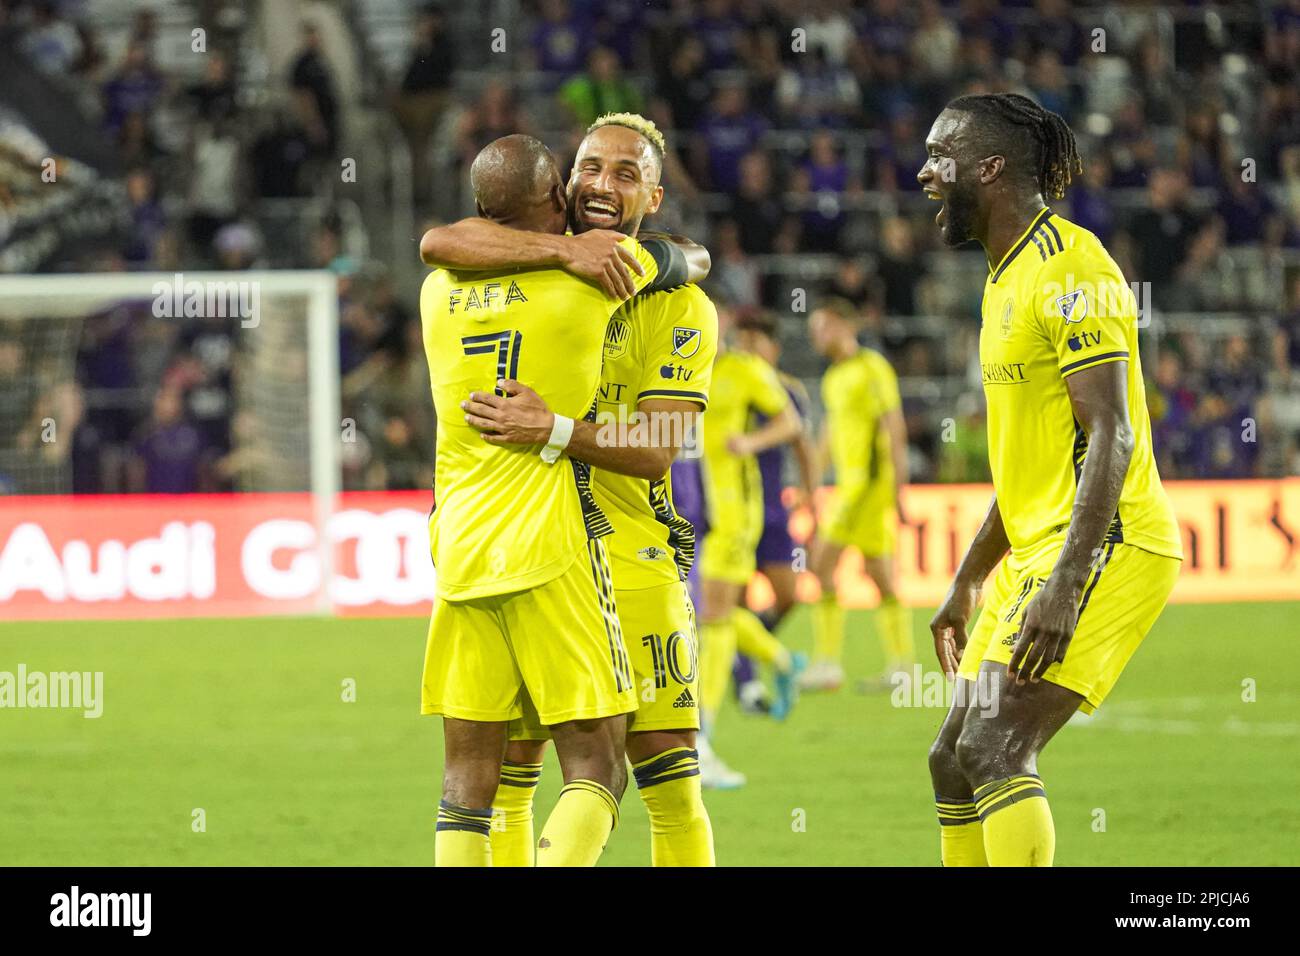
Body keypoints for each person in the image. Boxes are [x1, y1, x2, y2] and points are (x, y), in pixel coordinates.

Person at [428, 113, 720, 865]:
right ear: (563, 183)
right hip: (543, 558)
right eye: (590, 166)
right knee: (514, 782)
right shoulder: (530, 265)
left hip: (631, 557)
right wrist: (567, 250)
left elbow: (658, 447)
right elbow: (443, 239)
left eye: (627, 174)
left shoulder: (679, 304)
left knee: (669, 782)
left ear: (653, 197)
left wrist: (554, 428)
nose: (603, 184)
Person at [916, 93, 1182, 866]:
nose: (925, 174)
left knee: (995, 744)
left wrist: (1067, 580)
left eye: (939, 157)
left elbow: (1112, 431)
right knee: (952, 759)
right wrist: (969, 578)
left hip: (1107, 545)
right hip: (1035, 553)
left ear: (989, 168)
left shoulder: (1073, 266)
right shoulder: (1004, 279)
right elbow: (1033, 460)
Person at [694, 304, 802, 787]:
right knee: (704, 613)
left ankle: (701, 736)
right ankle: (780, 661)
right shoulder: (679, 366)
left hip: (732, 513)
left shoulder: (745, 369)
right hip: (688, 508)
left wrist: (750, 443)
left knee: (713, 616)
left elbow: (791, 424)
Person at [801, 298, 912, 692]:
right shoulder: (834, 377)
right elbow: (829, 435)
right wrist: (812, 483)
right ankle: (901, 666)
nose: (816, 336)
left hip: (868, 487)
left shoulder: (872, 367)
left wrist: (899, 488)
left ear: (844, 325)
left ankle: (828, 663)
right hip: (849, 487)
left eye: (822, 326)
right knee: (877, 573)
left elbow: (894, 427)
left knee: (821, 564)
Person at [731, 311, 815, 716]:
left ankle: (745, 646)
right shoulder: (727, 383)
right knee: (735, 597)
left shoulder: (788, 391)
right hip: (732, 508)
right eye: (742, 341)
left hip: (774, 510)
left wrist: (810, 493)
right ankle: (747, 684)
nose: (747, 349)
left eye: (755, 342)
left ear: (774, 348)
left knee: (789, 596)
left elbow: (802, 444)